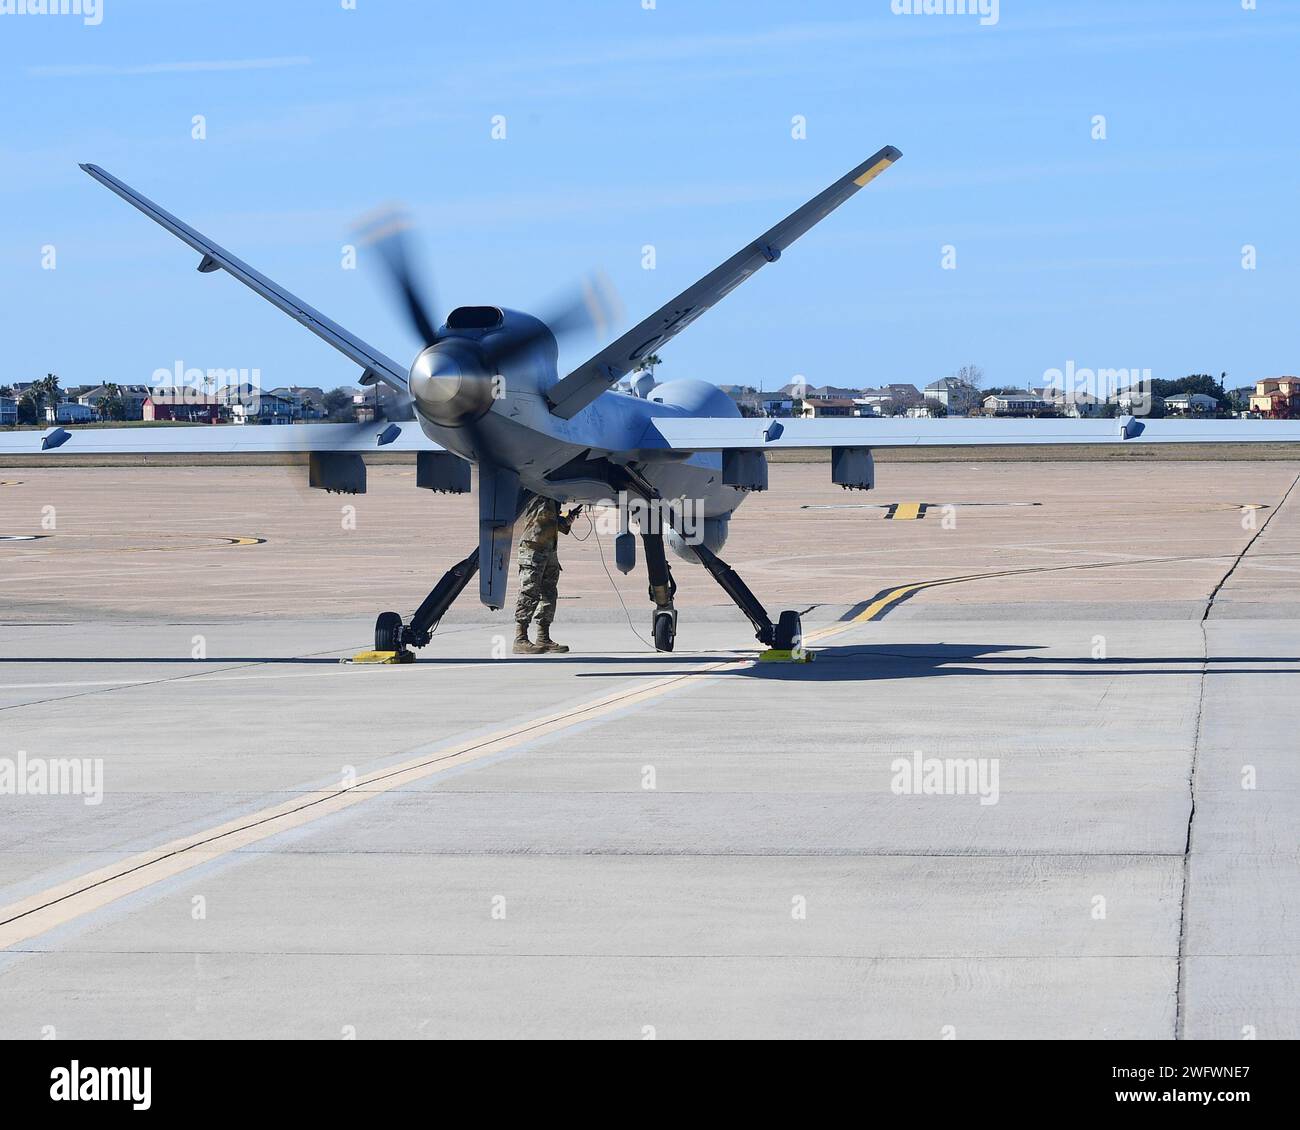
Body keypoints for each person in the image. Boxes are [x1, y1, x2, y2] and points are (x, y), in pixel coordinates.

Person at [513, 495, 581, 654]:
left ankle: (543, 636)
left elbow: (551, 521)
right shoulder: (536, 490)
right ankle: (520, 638)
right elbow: (540, 517)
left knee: (549, 593)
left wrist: (567, 520)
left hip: (548, 549)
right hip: (533, 546)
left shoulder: (552, 496)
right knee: (529, 592)